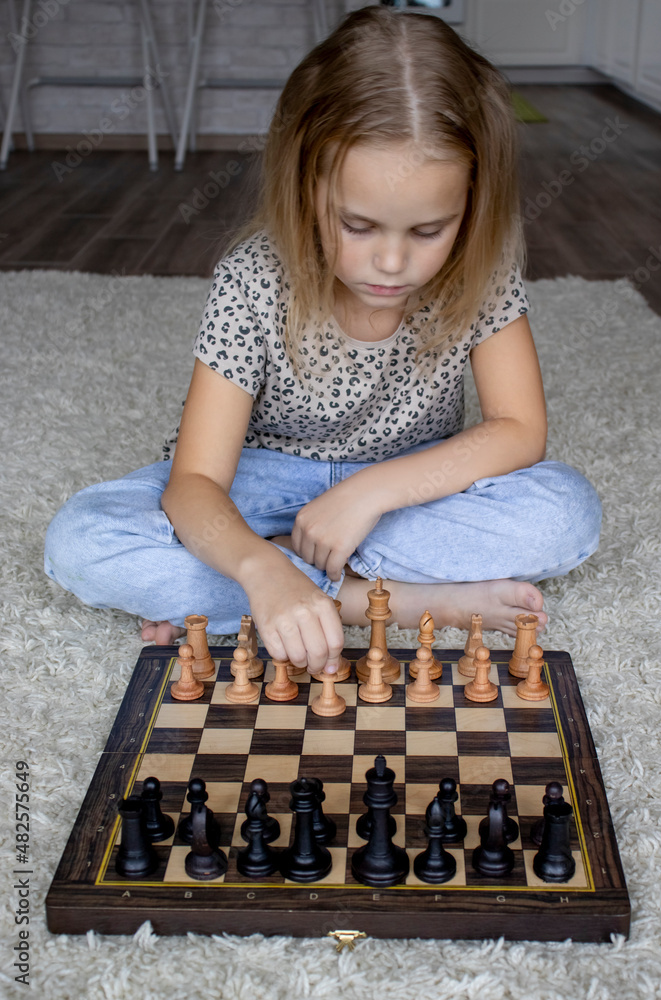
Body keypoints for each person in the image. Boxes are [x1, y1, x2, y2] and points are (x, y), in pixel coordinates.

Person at [44, 5, 601, 676]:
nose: (392, 263)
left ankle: (270, 582)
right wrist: (257, 566)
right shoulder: (252, 280)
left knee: (569, 514)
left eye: (428, 231)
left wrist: (367, 496)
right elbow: (195, 481)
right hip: (258, 481)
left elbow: (518, 430)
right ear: (309, 187)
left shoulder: (479, 274)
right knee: (81, 539)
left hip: (406, 490)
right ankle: (375, 601)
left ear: (473, 202)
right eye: (359, 226)